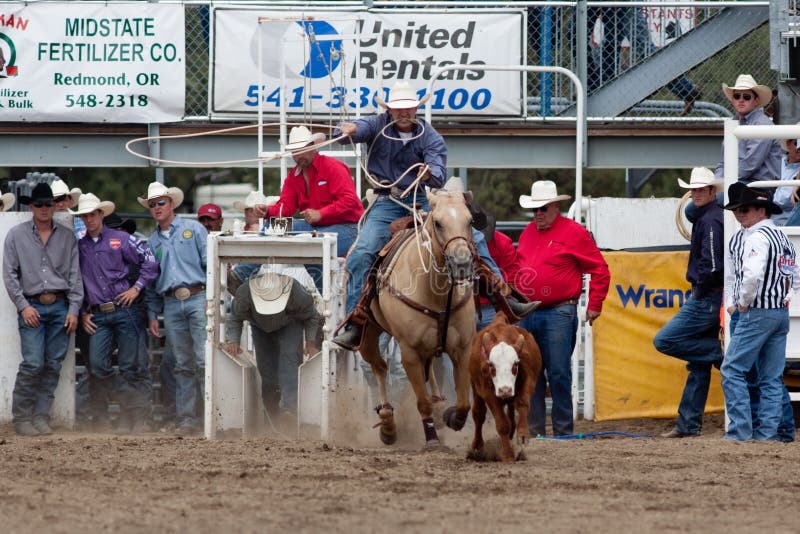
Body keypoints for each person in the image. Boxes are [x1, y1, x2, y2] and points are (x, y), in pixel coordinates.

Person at [331, 82, 534, 350]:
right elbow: (356, 129)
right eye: (398, 108)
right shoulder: (377, 124)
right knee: (362, 252)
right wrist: (347, 129)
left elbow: (437, 171)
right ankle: (355, 321)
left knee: (472, 237)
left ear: (416, 108)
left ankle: (503, 297)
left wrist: (429, 173)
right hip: (386, 202)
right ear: (389, 110)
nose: (403, 113)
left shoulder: (430, 136)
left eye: (408, 108)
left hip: (421, 201)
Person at [512, 180, 610, 437]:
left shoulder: (574, 232)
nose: (538, 214)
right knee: (529, 372)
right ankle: (533, 431)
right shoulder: (527, 233)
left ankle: (563, 431)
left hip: (559, 311)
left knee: (557, 372)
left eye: (543, 208)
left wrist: (595, 303)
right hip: (528, 312)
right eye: (535, 210)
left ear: (555, 206)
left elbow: (600, 269)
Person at [2, 183, 83, 436]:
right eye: (39, 204)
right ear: (31, 206)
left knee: (52, 365)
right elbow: (9, 275)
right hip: (32, 305)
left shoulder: (67, 236)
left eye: (48, 204)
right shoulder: (16, 235)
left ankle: (40, 416)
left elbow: (75, 276)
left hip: (60, 306)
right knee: (33, 363)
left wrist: (73, 309)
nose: (44, 208)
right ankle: (23, 417)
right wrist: (23, 306)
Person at [74, 194, 159, 434]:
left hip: (124, 308)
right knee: (99, 365)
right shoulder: (80, 246)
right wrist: (82, 312)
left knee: (130, 366)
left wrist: (136, 288)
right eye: (85, 216)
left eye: (92, 214)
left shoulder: (121, 239)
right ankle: (135, 408)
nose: (89, 219)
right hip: (99, 313)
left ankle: (130, 418)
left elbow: (150, 260)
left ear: (101, 214)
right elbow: (75, 281)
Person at [721, 182, 799, 441]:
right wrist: (785, 297)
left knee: (732, 370)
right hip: (779, 313)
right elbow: (794, 276)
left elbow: (752, 275)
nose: (738, 214)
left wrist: (741, 302)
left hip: (757, 313)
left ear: (759, 210)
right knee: (771, 377)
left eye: (743, 209)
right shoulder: (782, 237)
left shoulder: (755, 237)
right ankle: (767, 435)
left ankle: (740, 432)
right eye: (736, 209)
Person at [653, 168, 724, 438]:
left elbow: (713, 266)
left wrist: (701, 289)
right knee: (697, 365)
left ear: (711, 192)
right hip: (709, 294)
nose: (695, 193)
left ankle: (719, 354)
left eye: (700, 189)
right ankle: (688, 424)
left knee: (665, 340)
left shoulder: (709, 221)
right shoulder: (711, 218)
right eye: (693, 189)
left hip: (706, 295)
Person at [255, 126, 363, 289]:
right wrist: (268, 211)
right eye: (294, 152)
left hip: (349, 228)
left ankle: (327, 297)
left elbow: (351, 201)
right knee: (272, 225)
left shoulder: (333, 167)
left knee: (311, 244)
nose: (298, 156)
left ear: (313, 148)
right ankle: (241, 274)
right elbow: (286, 208)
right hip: (316, 229)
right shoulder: (293, 177)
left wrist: (321, 214)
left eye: (302, 150)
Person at [142, 182, 208, 436]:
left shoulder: (194, 229)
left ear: (171, 204)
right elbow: (151, 280)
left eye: (160, 202)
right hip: (171, 302)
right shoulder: (152, 242)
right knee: (182, 363)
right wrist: (152, 314)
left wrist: (210, 298)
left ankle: (206, 415)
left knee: (200, 360)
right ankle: (188, 418)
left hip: (197, 296)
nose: (157, 207)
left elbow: (209, 264)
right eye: (152, 204)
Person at [223, 272, 322, 416]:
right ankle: (271, 411)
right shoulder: (244, 294)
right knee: (266, 369)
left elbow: (311, 315)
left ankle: (290, 408)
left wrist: (310, 343)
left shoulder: (297, 292)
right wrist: (234, 341)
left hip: (290, 323)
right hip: (259, 327)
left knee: (288, 360)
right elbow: (235, 318)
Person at [588, 4, 701, 114]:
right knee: (608, 49)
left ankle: (687, 90)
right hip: (612, 7)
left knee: (646, 52)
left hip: (626, 5)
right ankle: (605, 98)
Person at [714, 75, 781, 185]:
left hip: (759, 186)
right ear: (732, 100)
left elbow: (751, 163)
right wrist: (717, 181)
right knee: (700, 200)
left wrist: (725, 182)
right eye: (737, 96)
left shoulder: (762, 125)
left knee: (710, 199)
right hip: (739, 182)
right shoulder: (733, 123)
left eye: (746, 97)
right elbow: (723, 162)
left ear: (756, 101)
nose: (741, 100)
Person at [773, 128, 800, 226]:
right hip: (769, 215)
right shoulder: (776, 161)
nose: (799, 148)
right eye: (796, 143)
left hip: (790, 219)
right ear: (788, 144)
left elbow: (782, 201)